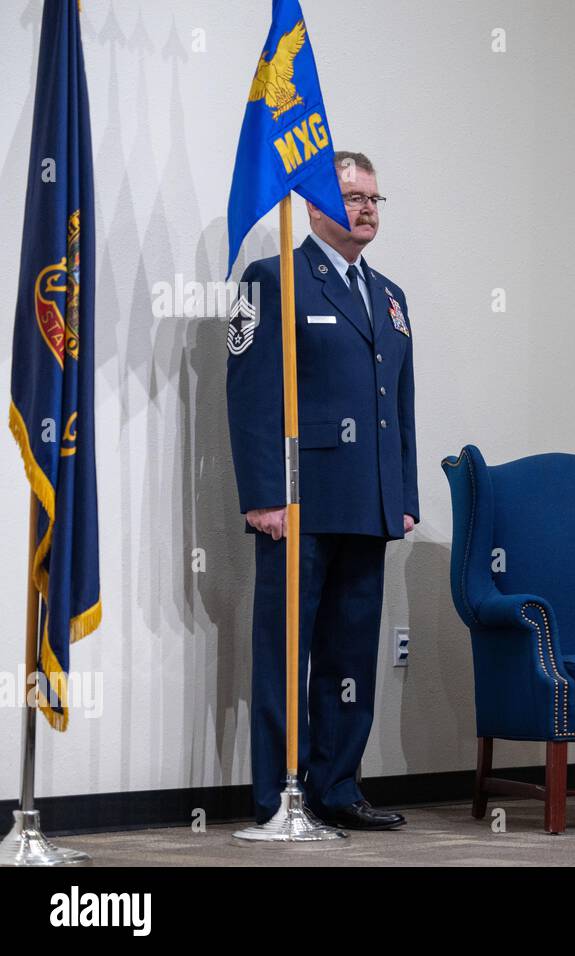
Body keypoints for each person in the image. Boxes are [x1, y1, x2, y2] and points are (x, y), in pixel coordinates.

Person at [226, 151, 418, 830]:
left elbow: (398, 404)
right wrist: (261, 495)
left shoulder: (389, 296)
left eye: (374, 198)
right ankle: (281, 796)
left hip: (367, 504)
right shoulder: (270, 280)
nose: (365, 209)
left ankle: (336, 785)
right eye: (352, 197)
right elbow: (250, 398)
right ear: (313, 206)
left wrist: (403, 493)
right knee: (285, 655)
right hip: (297, 506)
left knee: (349, 657)